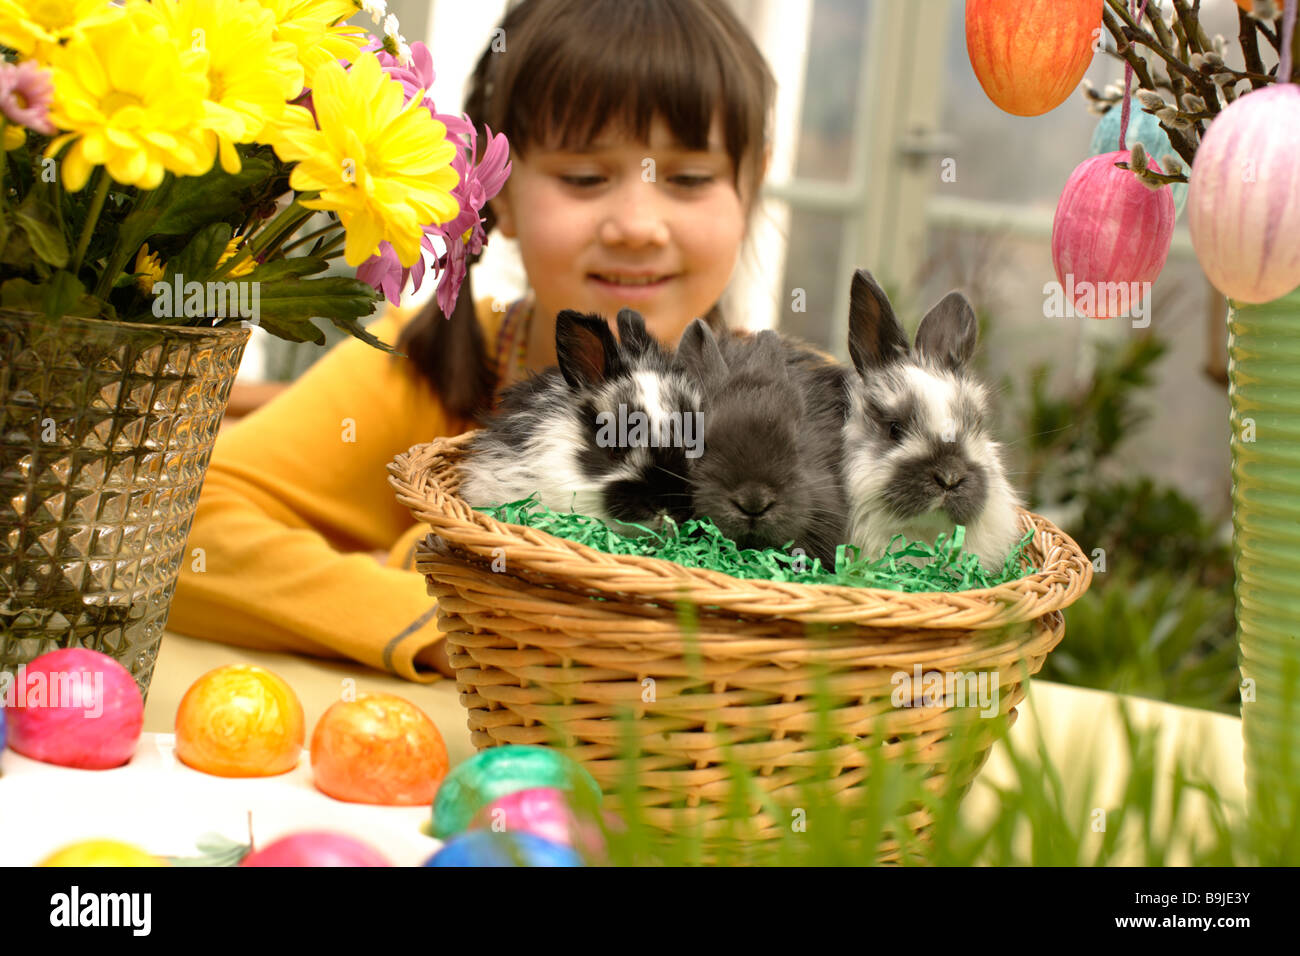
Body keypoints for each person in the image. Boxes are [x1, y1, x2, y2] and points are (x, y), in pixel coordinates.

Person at [167, 0, 776, 681]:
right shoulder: (421, 362)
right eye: (584, 178)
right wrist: (455, 616)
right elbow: (173, 528)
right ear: (501, 192)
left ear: (753, 183)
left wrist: (411, 557)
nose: (637, 224)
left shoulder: (795, 414)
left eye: (689, 179)